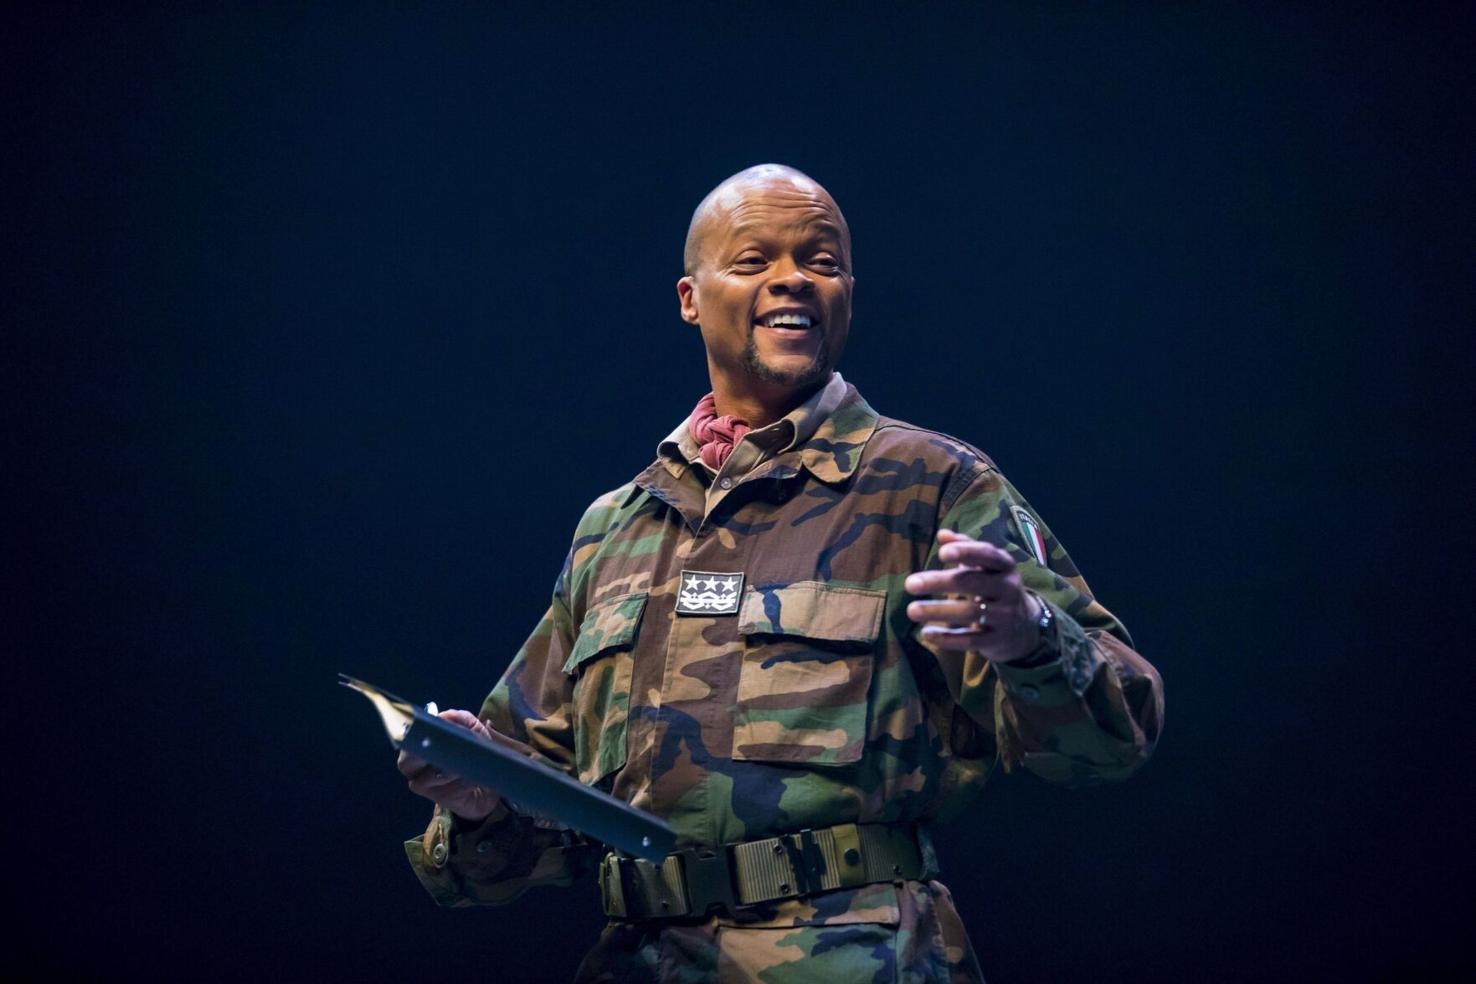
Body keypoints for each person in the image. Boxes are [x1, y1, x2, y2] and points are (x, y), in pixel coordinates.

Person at [395, 164, 1164, 982]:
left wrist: (1033, 639)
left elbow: (1114, 739)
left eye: (822, 261)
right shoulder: (615, 527)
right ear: (690, 298)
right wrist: (478, 798)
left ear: (848, 294)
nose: (794, 278)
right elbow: (525, 837)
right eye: (755, 259)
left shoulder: (932, 486)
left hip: (852, 959)